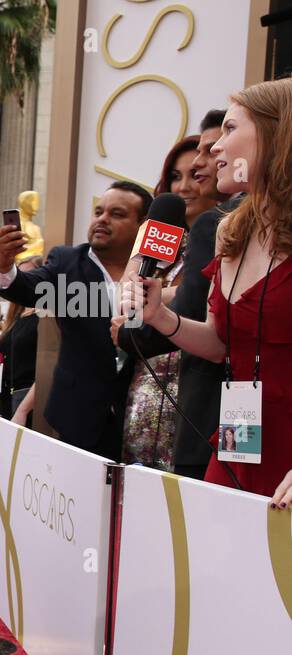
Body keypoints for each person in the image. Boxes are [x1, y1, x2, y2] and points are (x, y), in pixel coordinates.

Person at [119, 79, 292, 504]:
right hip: (237, 440)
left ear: (276, 133)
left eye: (231, 130)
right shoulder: (229, 230)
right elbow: (219, 344)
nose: (214, 148)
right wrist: (162, 317)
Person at [0, 180, 153, 458]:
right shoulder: (67, 262)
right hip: (79, 419)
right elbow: (27, 289)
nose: (102, 220)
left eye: (117, 214)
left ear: (143, 225)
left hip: (147, 420)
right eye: (99, 211)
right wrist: (5, 264)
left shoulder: (160, 270)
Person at [115, 109, 235, 480]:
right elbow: (127, 298)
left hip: (209, 415)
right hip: (150, 403)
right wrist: (140, 266)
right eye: (175, 176)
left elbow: (209, 329)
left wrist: (145, 319)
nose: (192, 177)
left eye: (212, 150)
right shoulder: (167, 244)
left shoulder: (220, 228)